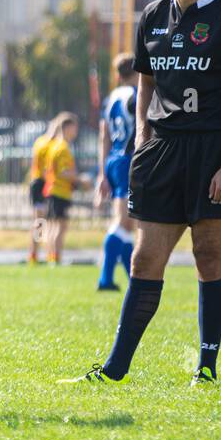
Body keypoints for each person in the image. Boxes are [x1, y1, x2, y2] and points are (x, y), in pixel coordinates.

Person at [62, 0, 221, 386]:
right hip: (162, 152)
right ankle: (114, 368)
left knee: (208, 256)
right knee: (144, 260)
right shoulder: (152, 16)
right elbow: (144, 83)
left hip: (213, 152)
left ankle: (207, 367)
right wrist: (142, 138)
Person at [94, 55, 138, 290]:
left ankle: (132, 278)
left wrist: (102, 172)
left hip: (113, 160)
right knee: (123, 223)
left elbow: (104, 136)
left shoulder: (111, 98)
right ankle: (106, 277)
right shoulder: (137, 95)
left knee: (127, 225)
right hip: (129, 162)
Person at [41, 112, 79, 265]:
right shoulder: (62, 148)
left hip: (52, 190)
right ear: (68, 127)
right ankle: (56, 258)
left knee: (51, 226)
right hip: (60, 192)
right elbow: (63, 172)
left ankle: (51, 257)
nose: (76, 131)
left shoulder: (53, 146)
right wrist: (80, 179)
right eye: (75, 127)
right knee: (60, 227)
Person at [27, 116, 63, 264]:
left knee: (41, 221)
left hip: (38, 182)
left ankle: (38, 254)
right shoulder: (51, 144)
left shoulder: (39, 141)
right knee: (42, 221)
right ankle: (40, 254)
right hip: (42, 183)